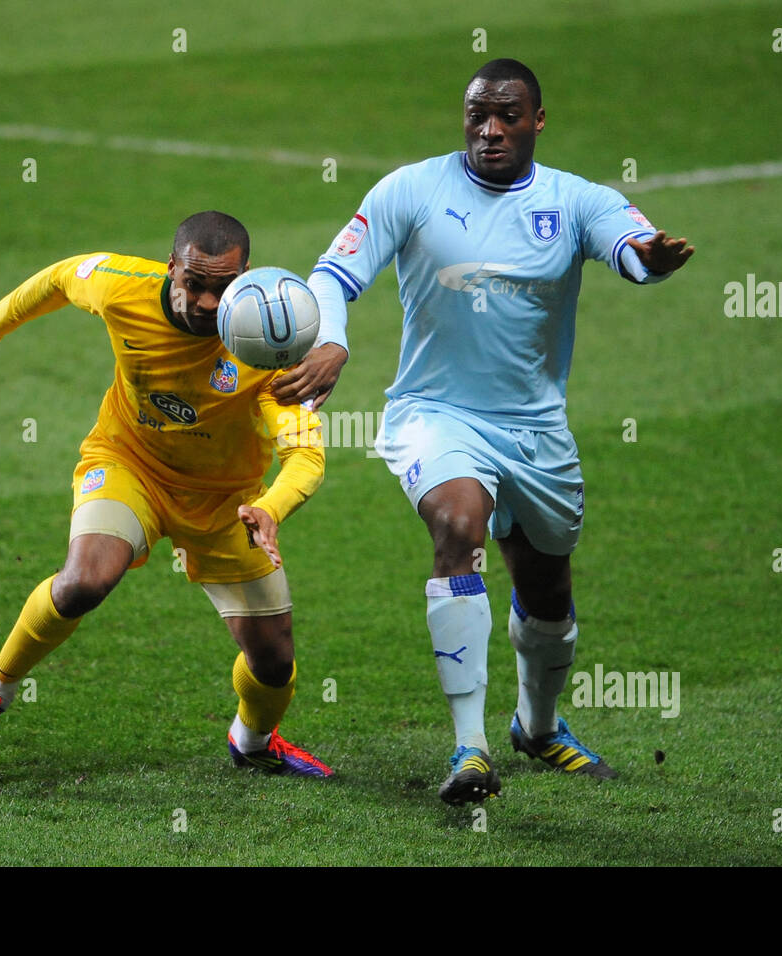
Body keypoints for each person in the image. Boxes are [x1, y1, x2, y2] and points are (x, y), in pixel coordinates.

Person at [275, 59, 693, 803]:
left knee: (547, 589)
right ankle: (469, 752)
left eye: (507, 115)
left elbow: (632, 246)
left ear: (538, 120)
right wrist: (331, 340)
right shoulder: (410, 189)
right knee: (459, 527)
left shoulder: (575, 200)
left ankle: (537, 726)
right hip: (433, 414)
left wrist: (649, 262)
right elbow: (331, 277)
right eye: (476, 114)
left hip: (535, 430)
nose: (489, 129)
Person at [0, 210, 332, 777]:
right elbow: (62, 277)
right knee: (85, 581)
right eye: (195, 283)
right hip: (129, 465)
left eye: (224, 287)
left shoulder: (268, 348)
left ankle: (254, 740)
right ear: (171, 270)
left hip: (225, 505)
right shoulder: (124, 288)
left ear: (248, 276)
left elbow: (305, 455)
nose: (209, 302)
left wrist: (269, 507)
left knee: (273, 660)